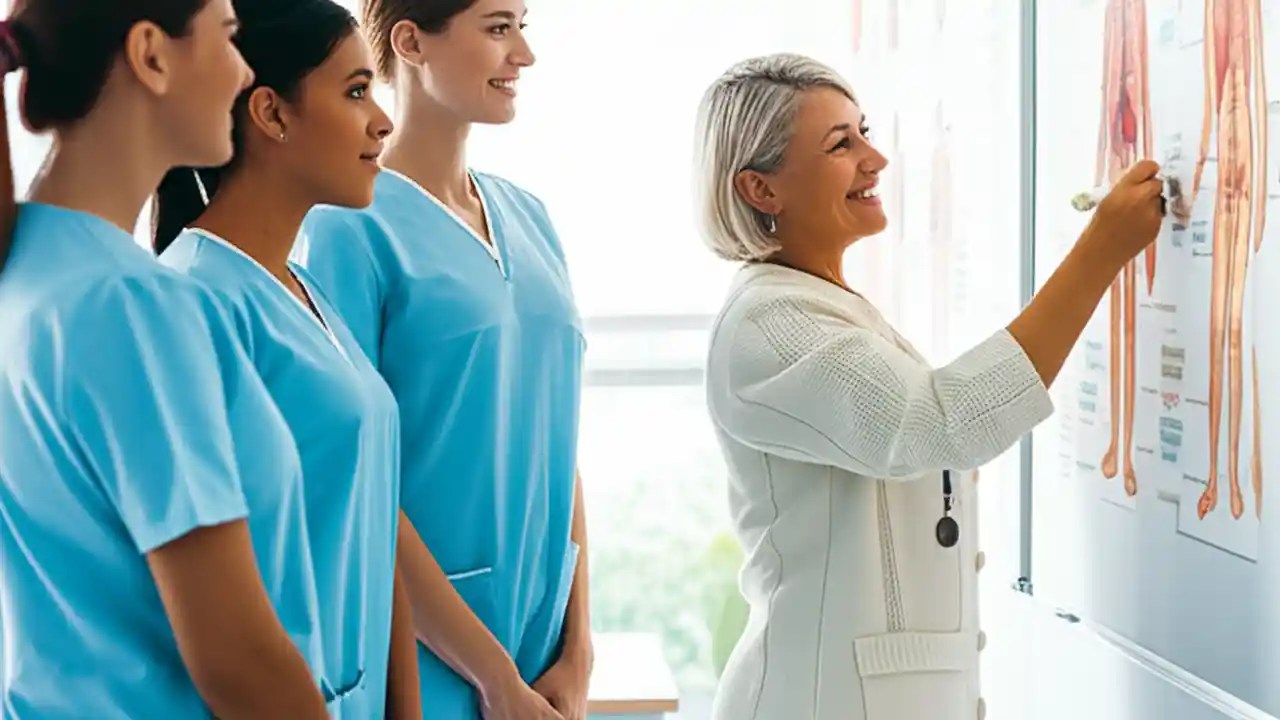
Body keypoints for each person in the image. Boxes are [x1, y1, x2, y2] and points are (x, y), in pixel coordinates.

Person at [695, 53, 1164, 720]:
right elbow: (937, 423)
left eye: (864, 131)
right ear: (760, 189)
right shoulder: (769, 323)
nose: (876, 158)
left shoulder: (824, 306)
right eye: (841, 144)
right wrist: (1100, 252)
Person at [0, 1, 334, 717]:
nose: (243, 73)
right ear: (151, 55)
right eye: (228, 37)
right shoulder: (131, 306)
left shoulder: (25, 270)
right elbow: (238, 660)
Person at [294, 1, 592, 718]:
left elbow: (559, 439)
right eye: (497, 28)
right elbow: (356, 479)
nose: (523, 54)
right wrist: (493, 678)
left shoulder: (531, 217)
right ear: (410, 42)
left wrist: (579, 647)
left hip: (545, 660)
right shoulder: (344, 230)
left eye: (523, 26)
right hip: (428, 663)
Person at [149, 1, 418, 717]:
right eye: (355, 92)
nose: (382, 122)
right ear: (271, 113)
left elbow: (371, 520)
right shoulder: (192, 303)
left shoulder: (303, 289)